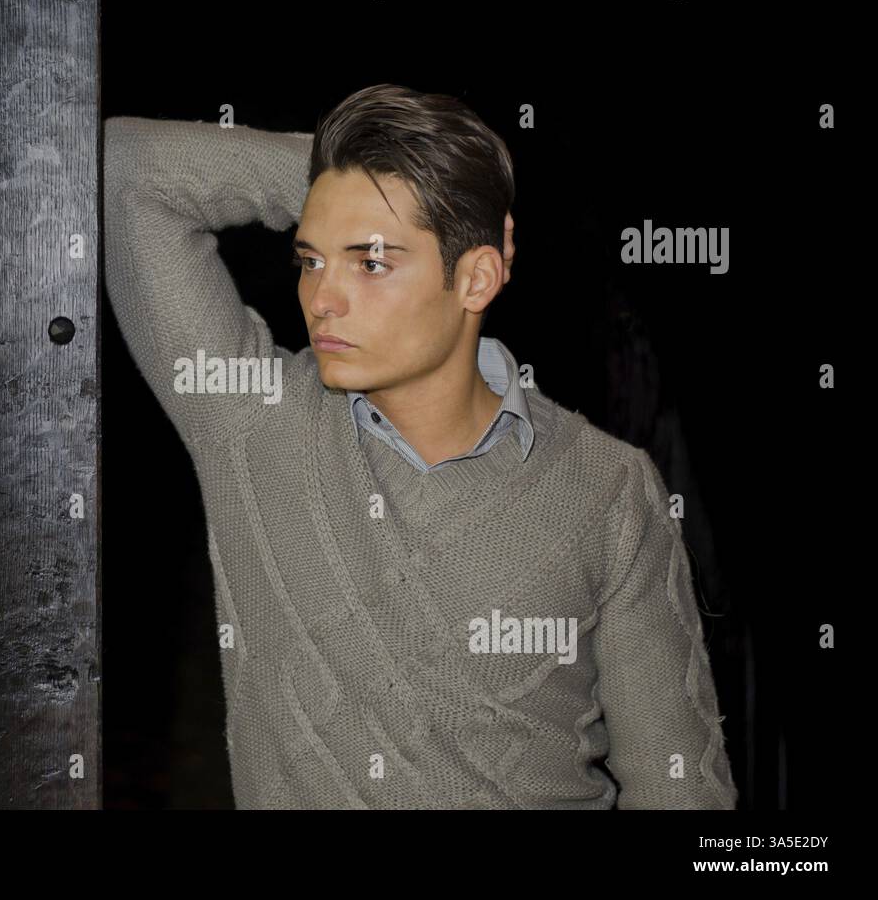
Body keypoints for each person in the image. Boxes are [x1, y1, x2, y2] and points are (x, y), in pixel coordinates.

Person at [102, 83, 737, 809]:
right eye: (311, 258)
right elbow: (128, 169)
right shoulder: (252, 423)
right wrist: (346, 189)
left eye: (369, 262)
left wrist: (442, 201)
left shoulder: (609, 488)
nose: (321, 298)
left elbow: (680, 790)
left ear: (477, 276)